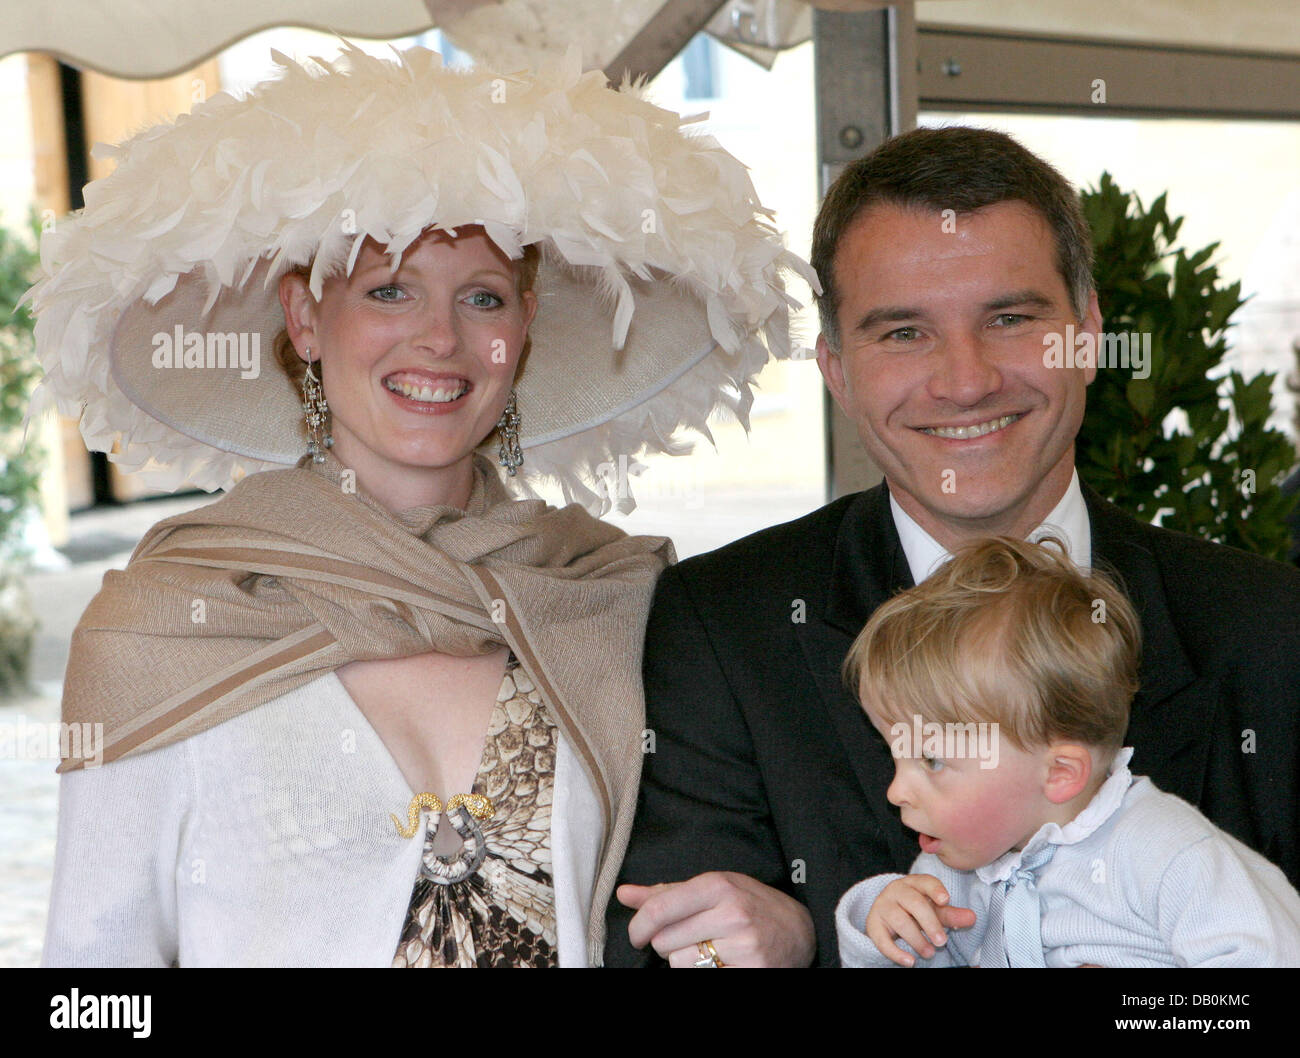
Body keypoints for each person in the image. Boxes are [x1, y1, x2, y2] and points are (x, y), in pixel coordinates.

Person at [28, 44, 809, 967]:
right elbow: (88, 979)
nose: (440, 339)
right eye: (389, 290)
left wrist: (788, 927)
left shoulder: (607, 594)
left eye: (482, 298)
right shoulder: (165, 622)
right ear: (306, 318)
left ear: (520, 333)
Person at [607, 125, 1300, 968]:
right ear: (836, 369)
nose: (966, 380)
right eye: (903, 333)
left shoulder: (1270, 628)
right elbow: (666, 945)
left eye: (1009, 318)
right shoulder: (720, 629)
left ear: (1086, 336)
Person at [835, 535, 1300, 968]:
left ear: (1058, 773)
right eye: (895, 751)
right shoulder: (952, 873)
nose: (896, 790)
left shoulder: (1167, 855)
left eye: (932, 760)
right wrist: (890, 927)